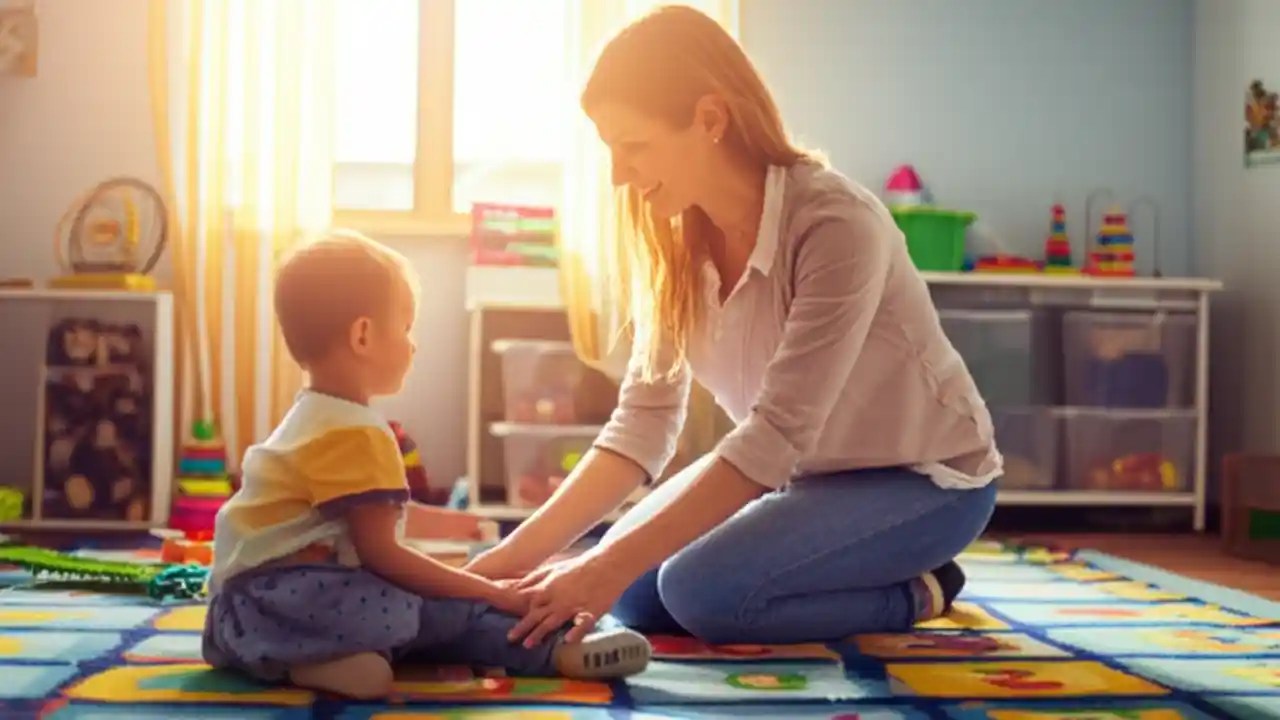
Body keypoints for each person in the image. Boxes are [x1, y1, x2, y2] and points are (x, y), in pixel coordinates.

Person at [466, 4, 1001, 649]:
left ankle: (921, 590)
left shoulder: (836, 225)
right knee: (636, 595)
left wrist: (595, 571)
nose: (618, 176)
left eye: (632, 147)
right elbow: (642, 424)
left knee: (701, 592)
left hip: (924, 481)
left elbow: (774, 435)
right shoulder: (675, 241)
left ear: (710, 119)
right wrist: (506, 563)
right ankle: (825, 568)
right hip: (810, 479)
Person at [202, 232, 651, 699]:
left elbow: (368, 514)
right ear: (363, 335)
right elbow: (384, 555)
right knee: (445, 606)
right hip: (305, 599)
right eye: (406, 328)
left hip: (245, 612)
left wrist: (457, 524)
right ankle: (558, 651)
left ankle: (317, 663)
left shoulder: (311, 416)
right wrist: (491, 592)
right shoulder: (358, 432)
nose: (413, 346)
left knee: (435, 605)